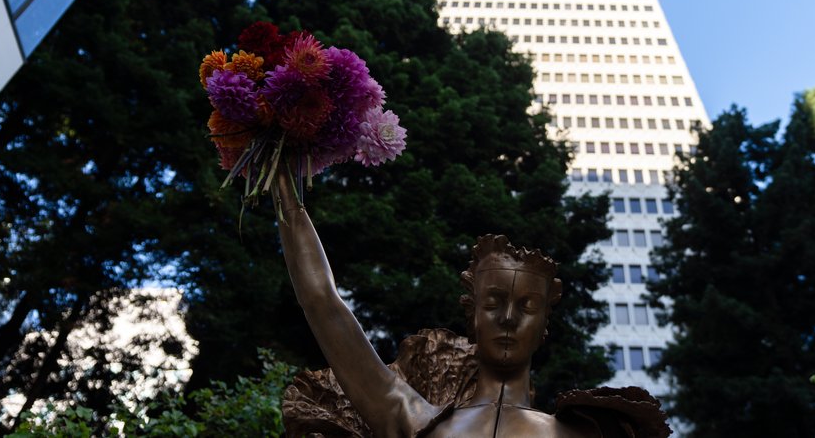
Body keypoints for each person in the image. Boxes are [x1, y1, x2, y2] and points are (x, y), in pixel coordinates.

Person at [273, 174, 669, 438]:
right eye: (493, 302)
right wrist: (285, 190)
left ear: (544, 326)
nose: (508, 318)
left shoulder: (586, 432)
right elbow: (323, 302)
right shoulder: (413, 420)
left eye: (528, 306)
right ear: (473, 315)